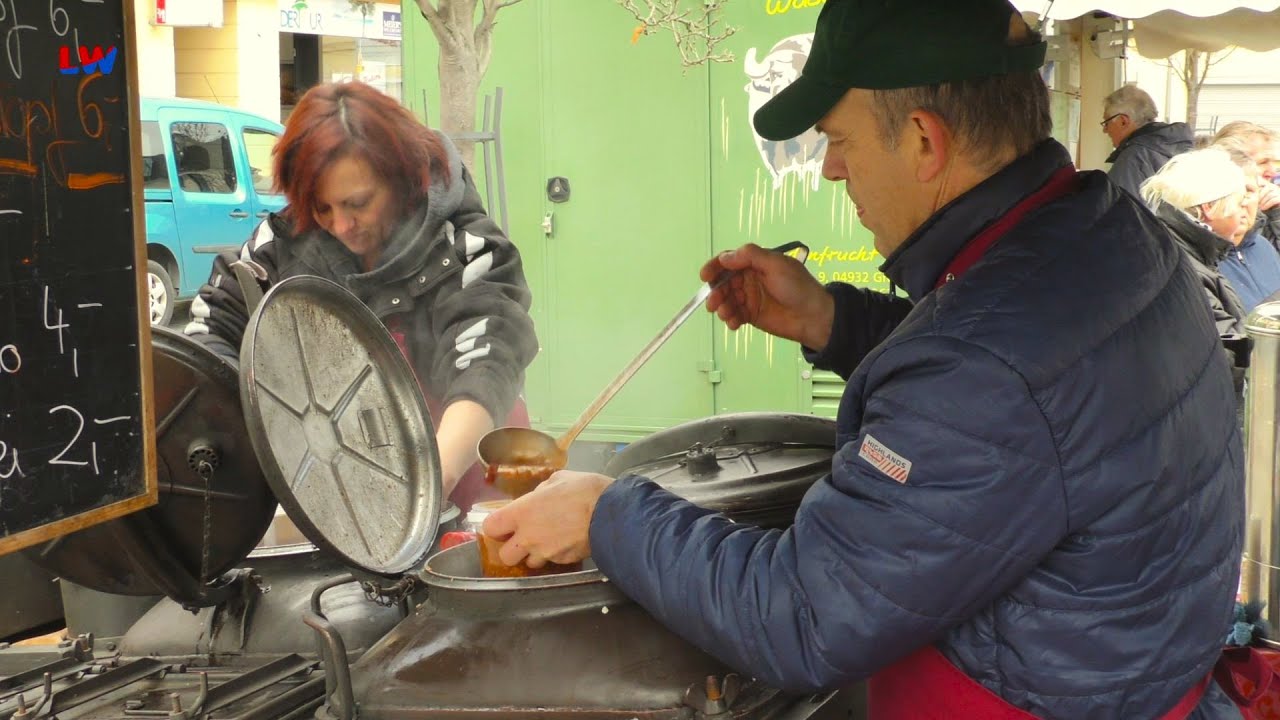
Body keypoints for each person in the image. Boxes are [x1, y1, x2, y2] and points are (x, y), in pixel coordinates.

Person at [482, 1, 1244, 717]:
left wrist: (607, 513)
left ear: (923, 139)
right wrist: (830, 320)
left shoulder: (987, 365)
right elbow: (1027, 408)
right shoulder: (1108, 232)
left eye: (838, 142)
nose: (829, 172)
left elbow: (808, 616)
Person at [184, 81, 538, 512]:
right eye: (322, 207)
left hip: (468, 478)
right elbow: (214, 327)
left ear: (403, 179)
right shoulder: (282, 244)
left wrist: (423, 498)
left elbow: (487, 361)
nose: (341, 225)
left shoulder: (463, 246)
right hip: (346, 491)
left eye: (358, 203)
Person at [1140, 149, 1248, 335]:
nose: (1244, 211)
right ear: (1209, 208)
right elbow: (1227, 351)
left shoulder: (1182, 248)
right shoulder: (1185, 268)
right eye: (1240, 203)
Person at [1213, 146, 1280, 313]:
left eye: (1248, 191)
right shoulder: (1197, 259)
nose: (1241, 201)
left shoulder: (1263, 246)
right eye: (1229, 192)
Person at [1102, 84, 1194, 197]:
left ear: (1123, 121)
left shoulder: (1132, 158)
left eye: (1107, 123)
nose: (1105, 130)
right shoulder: (1182, 147)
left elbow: (1117, 211)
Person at [1214, 121, 1280, 251]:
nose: (1273, 171)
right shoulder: (1213, 211)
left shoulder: (1273, 202)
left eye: (1276, 162)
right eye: (1262, 162)